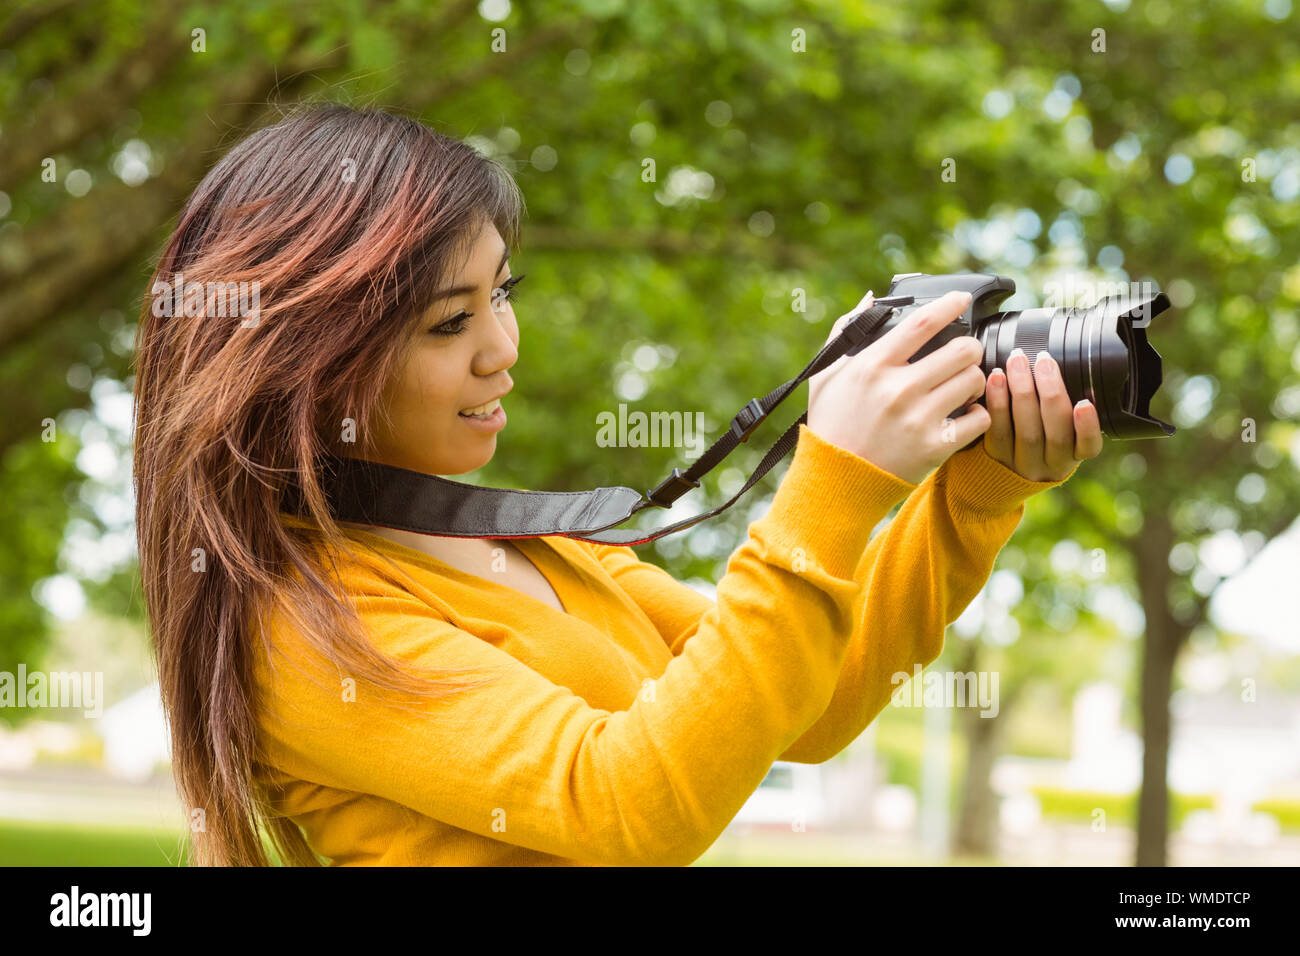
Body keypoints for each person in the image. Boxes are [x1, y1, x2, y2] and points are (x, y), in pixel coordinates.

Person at [133, 103, 1100, 867]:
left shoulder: (526, 544)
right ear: (307, 362)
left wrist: (978, 493)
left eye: (503, 295)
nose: (503, 351)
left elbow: (802, 706)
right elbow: (628, 804)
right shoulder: (302, 626)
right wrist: (834, 479)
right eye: (448, 323)